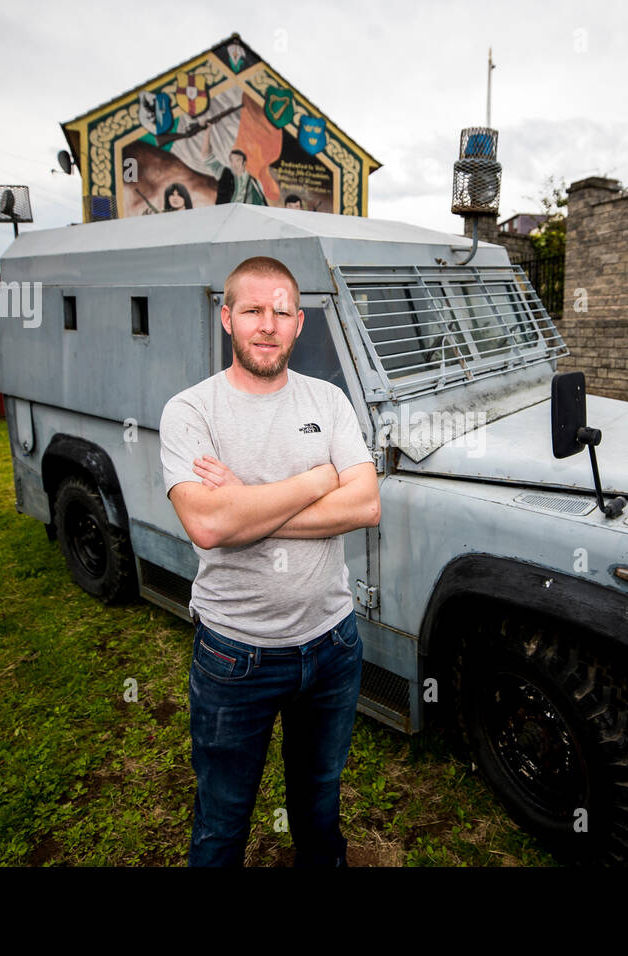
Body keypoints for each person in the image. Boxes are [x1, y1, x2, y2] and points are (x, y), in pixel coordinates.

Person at [159, 255, 380, 867]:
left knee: (319, 809)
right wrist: (317, 479)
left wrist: (245, 505)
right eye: (252, 310)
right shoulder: (190, 412)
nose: (267, 324)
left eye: (281, 311)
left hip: (331, 647)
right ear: (226, 317)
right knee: (222, 825)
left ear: (299, 323)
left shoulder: (329, 400)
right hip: (236, 656)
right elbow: (208, 524)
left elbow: (364, 504)